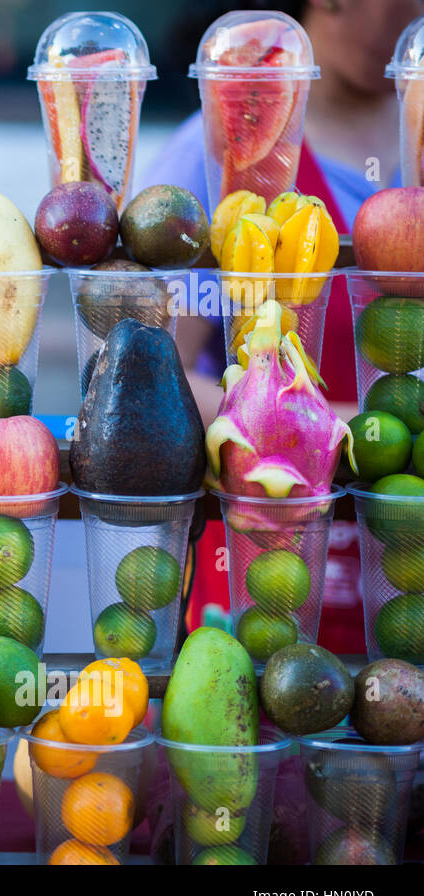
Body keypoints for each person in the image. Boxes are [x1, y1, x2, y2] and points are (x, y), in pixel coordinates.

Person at [141, 0, 424, 654]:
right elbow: (160, 374)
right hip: (262, 552)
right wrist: (331, 429)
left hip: (403, 568)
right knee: (261, 719)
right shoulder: (213, 151)